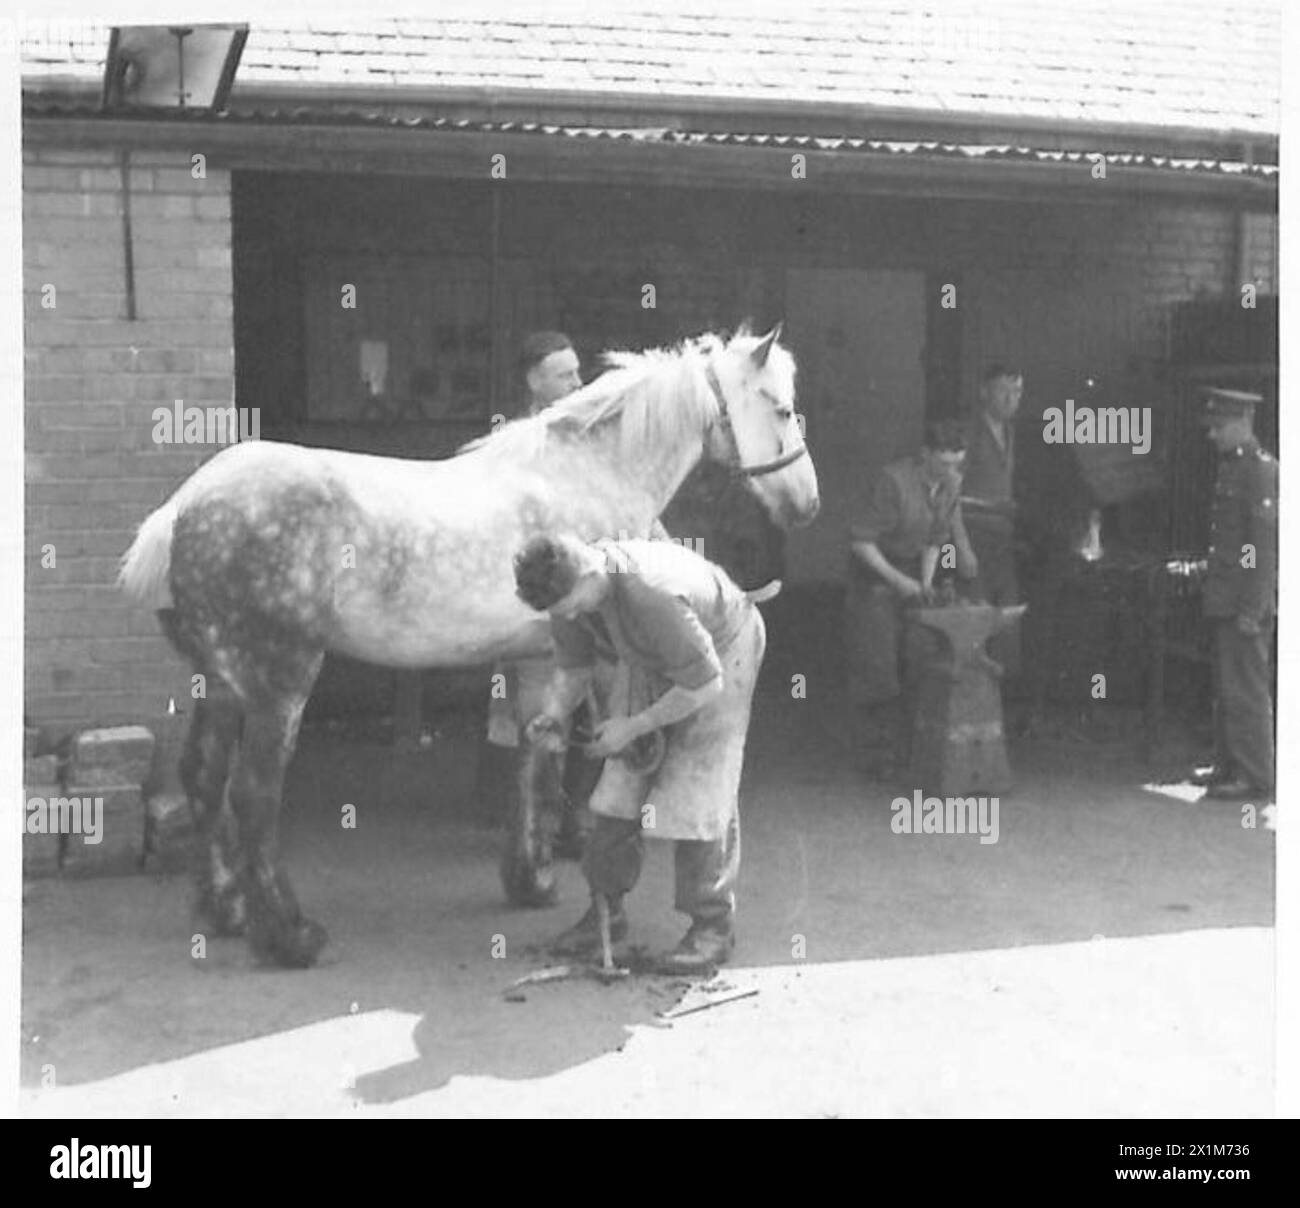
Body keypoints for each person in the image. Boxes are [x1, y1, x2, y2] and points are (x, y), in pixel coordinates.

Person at [515, 533, 766, 973]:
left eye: (573, 604)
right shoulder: (570, 591)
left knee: (699, 790)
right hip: (648, 655)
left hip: (723, 651)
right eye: (561, 613)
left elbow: (705, 684)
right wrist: (554, 713)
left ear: (593, 573)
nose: (570, 616)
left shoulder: (653, 594)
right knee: (618, 790)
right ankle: (604, 915)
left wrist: (634, 725)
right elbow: (574, 667)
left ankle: (711, 927)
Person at [479, 332, 586, 841]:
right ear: (533, 381)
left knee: (580, 696)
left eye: (577, 372)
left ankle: (566, 819)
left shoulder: (582, 434)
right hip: (532, 588)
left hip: (577, 588)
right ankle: (530, 824)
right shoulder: (515, 441)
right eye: (564, 374)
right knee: (532, 702)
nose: (577, 382)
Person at [845, 420, 979, 775]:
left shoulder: (952, 485)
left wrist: (923, 584)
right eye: (945, 463)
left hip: (912, 569)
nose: (952, 471)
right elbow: (860, 541)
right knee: (879, 666)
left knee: (919, 659)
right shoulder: (893, 481)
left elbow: (935, 540)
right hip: (875, 571)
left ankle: (912, 752)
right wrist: (898, 582)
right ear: (925, 456)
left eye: (958, 463)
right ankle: (877, 757)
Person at [1191, 388, 1277, 802]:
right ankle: (1228, 764)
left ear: (1243, 423)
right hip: (1225, 598)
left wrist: (1253, 606)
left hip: (1243, 602)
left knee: (1245, 689)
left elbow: (1261, 548)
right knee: (1227, 688)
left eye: (1219, 427)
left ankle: (1255, 774)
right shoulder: (1232, 468)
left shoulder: (1260, 471)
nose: (1212, 436)